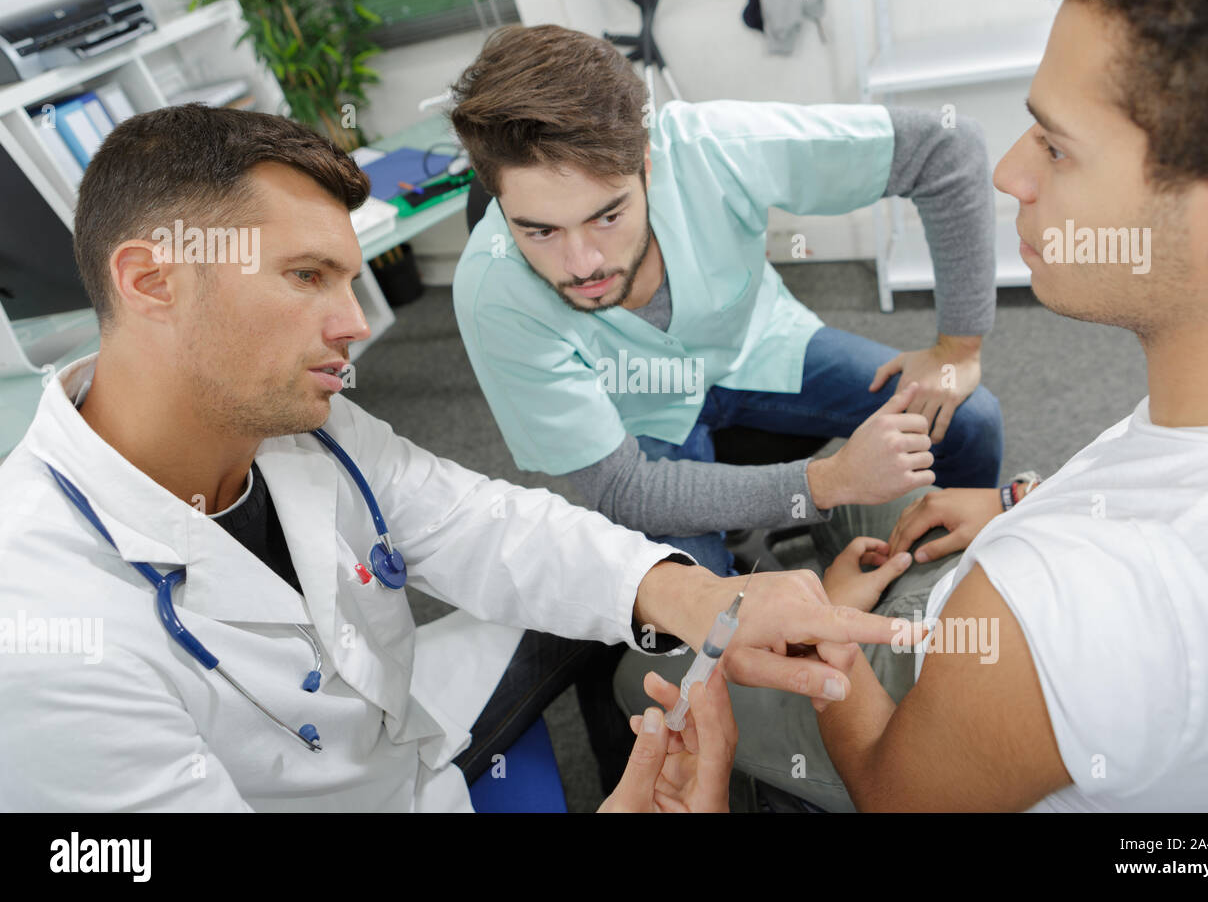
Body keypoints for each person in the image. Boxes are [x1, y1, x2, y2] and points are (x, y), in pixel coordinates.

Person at [0, 104, 922, 811]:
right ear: (153, 282)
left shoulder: (285, 420)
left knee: (619, 599)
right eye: (305, 277)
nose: (356, 324)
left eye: (347, 277)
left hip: (402, 735)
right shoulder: (45, 643)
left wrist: (704, 599)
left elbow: (478, 521)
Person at [614, 0, 1208, 812]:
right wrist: (1019, 501)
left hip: (935, 712)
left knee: (644, 669)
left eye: (1056, 146)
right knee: (888, 493)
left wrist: (829, 632)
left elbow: (896, 793)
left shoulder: (1090, 601)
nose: (1011, 172)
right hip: (993, 613)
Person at [448, 24, 1005, 581]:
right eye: (540, 232)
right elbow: (621, 487)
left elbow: (947, 149)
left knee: (969, 419)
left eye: (607, 216)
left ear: (646, 161)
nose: (583, 263)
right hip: (637, 427)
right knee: (701, 603)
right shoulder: (491, 292)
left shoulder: (713, 147)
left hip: (761, 348)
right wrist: (827, 483)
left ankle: (954, 592)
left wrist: (958, 345)